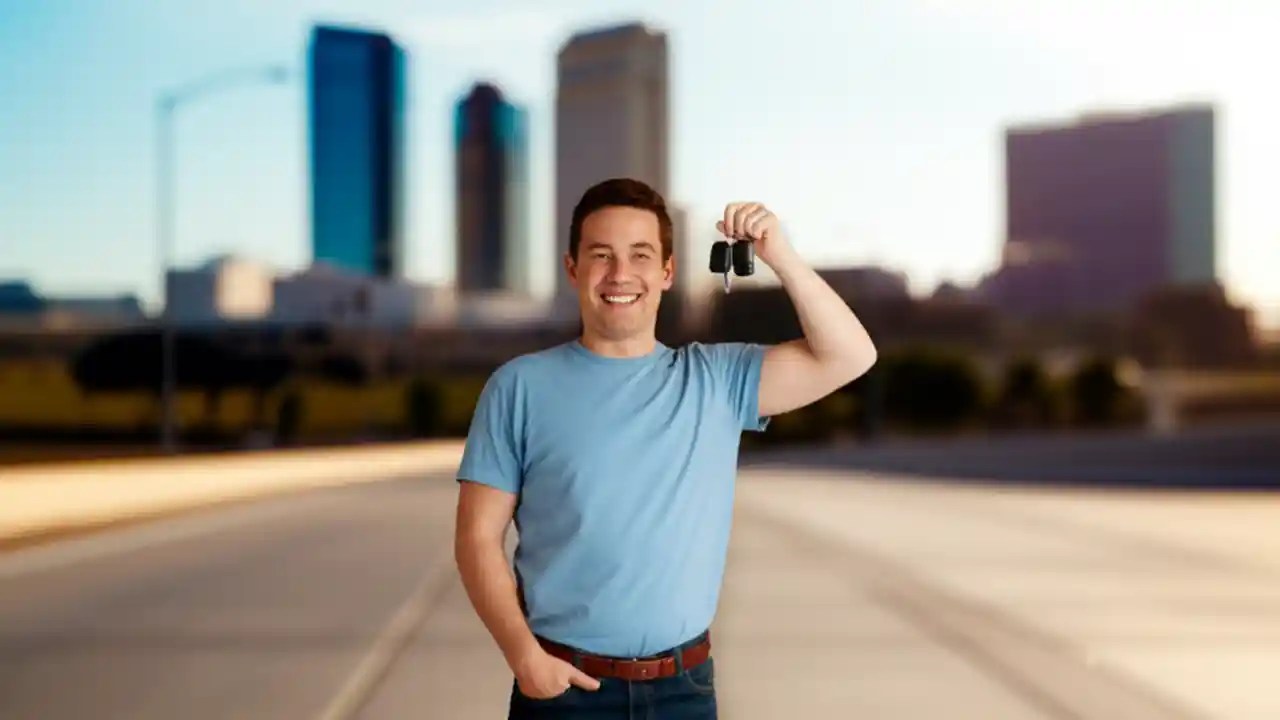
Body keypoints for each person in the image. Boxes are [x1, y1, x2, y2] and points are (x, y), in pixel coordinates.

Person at [454, 178, 877, 719]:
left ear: (667, 273)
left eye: (640, 255)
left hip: (684, 692)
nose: (620, 274)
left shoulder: (716, 380)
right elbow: (476, 537)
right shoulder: (519, 387)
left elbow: (851, 356)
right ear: (572, 268)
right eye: (601, 255)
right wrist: (524, 659)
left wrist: (781, 255)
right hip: (563, 692)